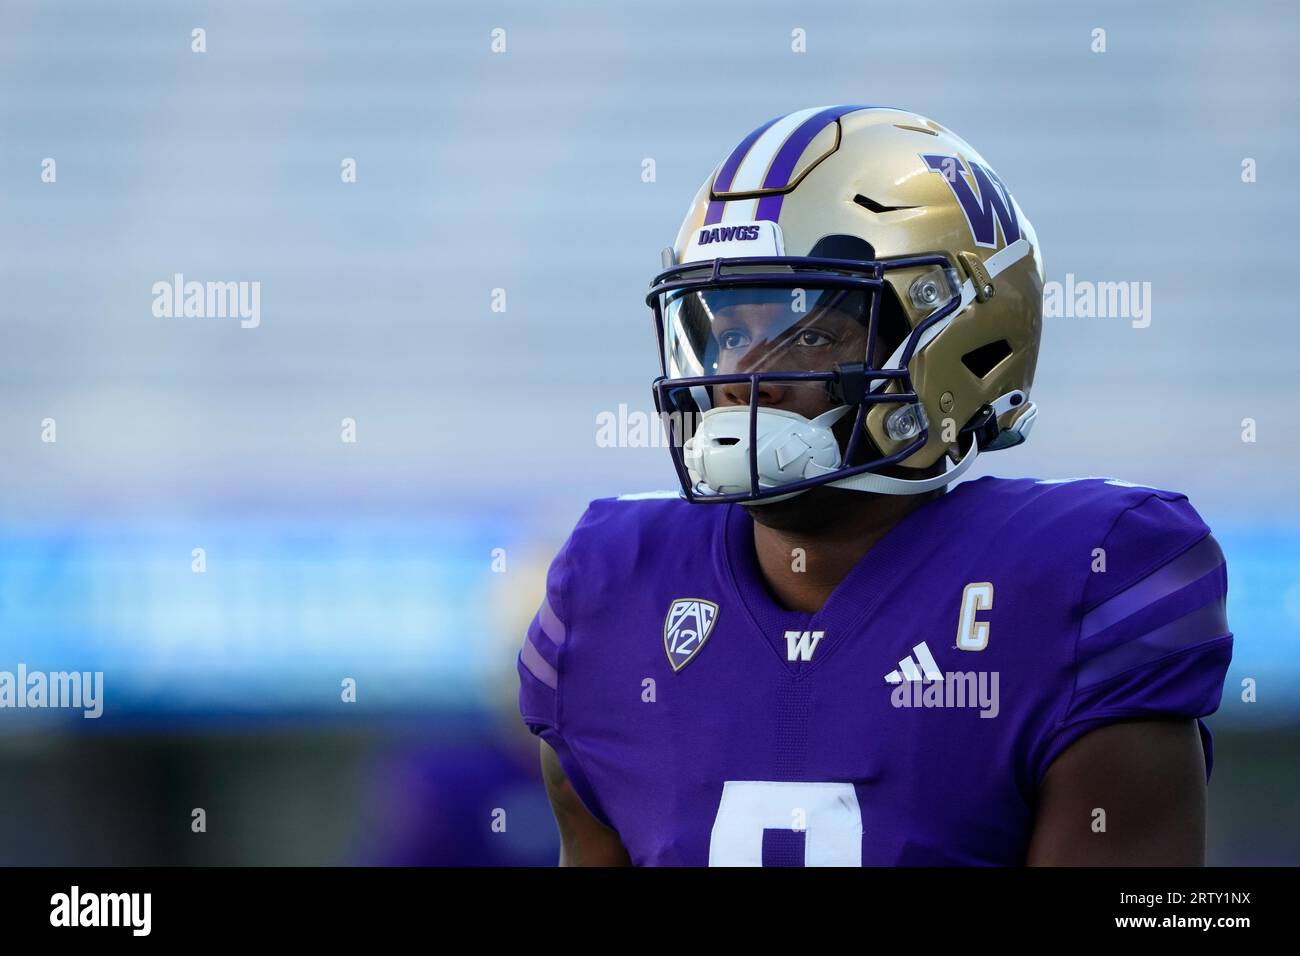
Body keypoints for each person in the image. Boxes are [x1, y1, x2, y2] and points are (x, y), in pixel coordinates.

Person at [517, 105, 1233, 866]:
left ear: (956, 333)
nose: (741, 378)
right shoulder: (609, 597)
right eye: (728, 333)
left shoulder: (1085, 580)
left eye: (813, 332)